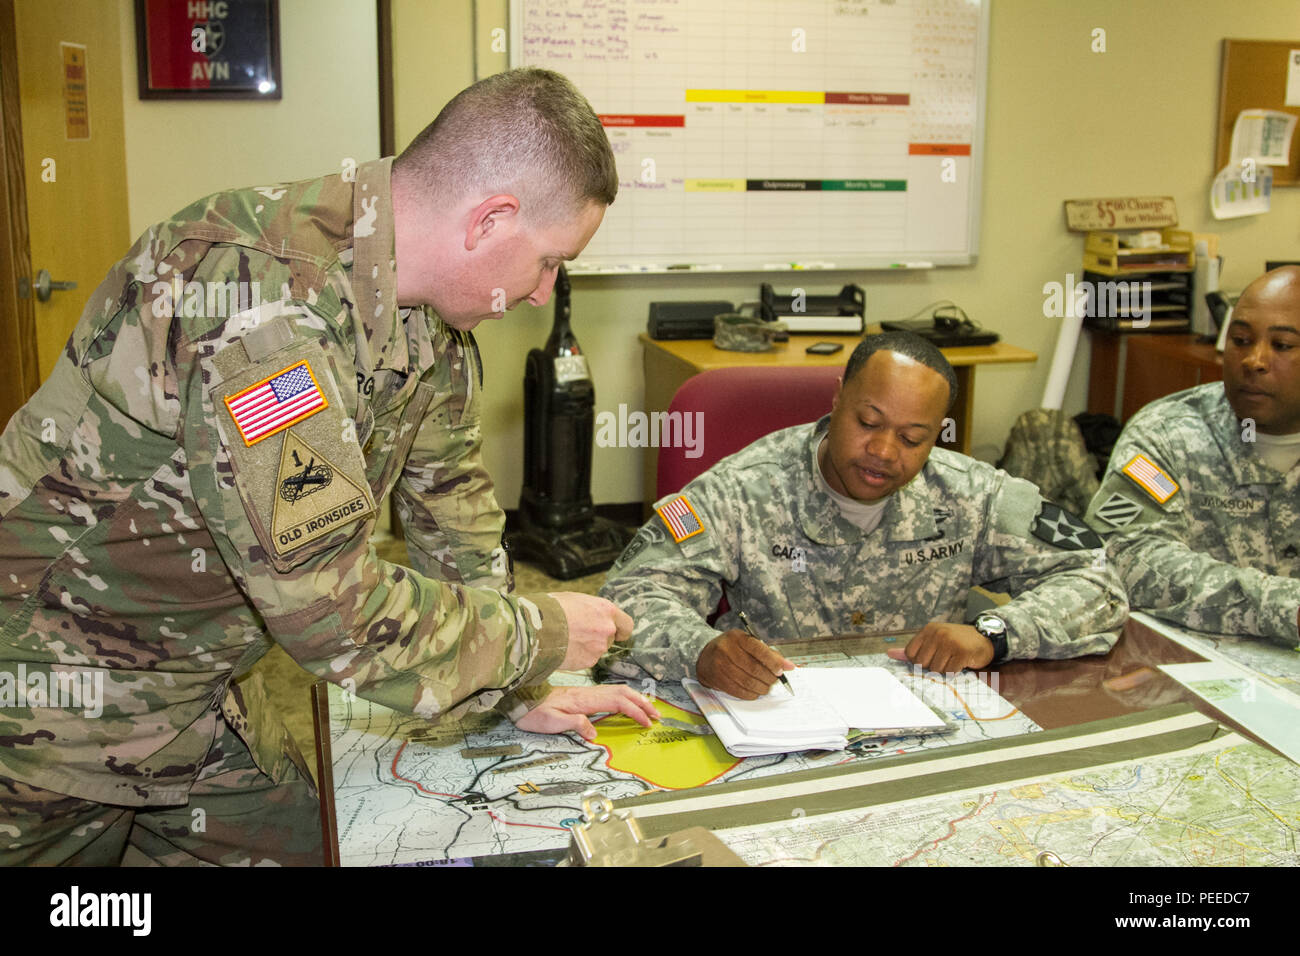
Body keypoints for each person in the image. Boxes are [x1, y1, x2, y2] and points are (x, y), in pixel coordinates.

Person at [0, 67, 657, 866]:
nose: (539, 293)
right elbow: (330, 609)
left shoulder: (430, 328)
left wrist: (511, 688)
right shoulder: (263, 304)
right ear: (491, 220)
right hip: (51, 705)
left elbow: (459, 517)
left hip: (198, 679)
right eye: (551, 262)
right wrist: (541, 634)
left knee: (317, 849)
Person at [600, 332, 1127, 699]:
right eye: (868, 421)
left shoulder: (972, 493)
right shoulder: (744, 487)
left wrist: (994, 632)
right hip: (778, 715)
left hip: (925, 719)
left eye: (911, 437)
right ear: (837, 400)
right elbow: (625, 598)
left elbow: (1097, 577)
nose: (883, 450)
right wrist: (701, 650)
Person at [1084, 265, 1300, 645]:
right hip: (1194, 668)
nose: (1255, 360)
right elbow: (1122, 555)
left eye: (1282, 346)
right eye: (1240, 340)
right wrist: (1286, 609)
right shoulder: (1167, 434)